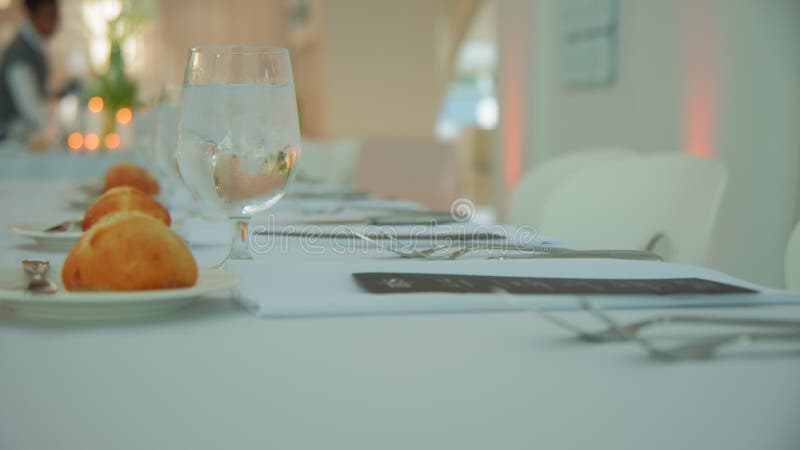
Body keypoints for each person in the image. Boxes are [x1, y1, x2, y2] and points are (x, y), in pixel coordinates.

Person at [0, 0, 62, 143]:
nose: (55, 23)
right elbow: (29, 105)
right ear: (34, 15)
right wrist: (56, 130)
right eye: (49, 16)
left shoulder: (36, 48)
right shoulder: (19, 53)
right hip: (10, 141)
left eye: (56, 17)